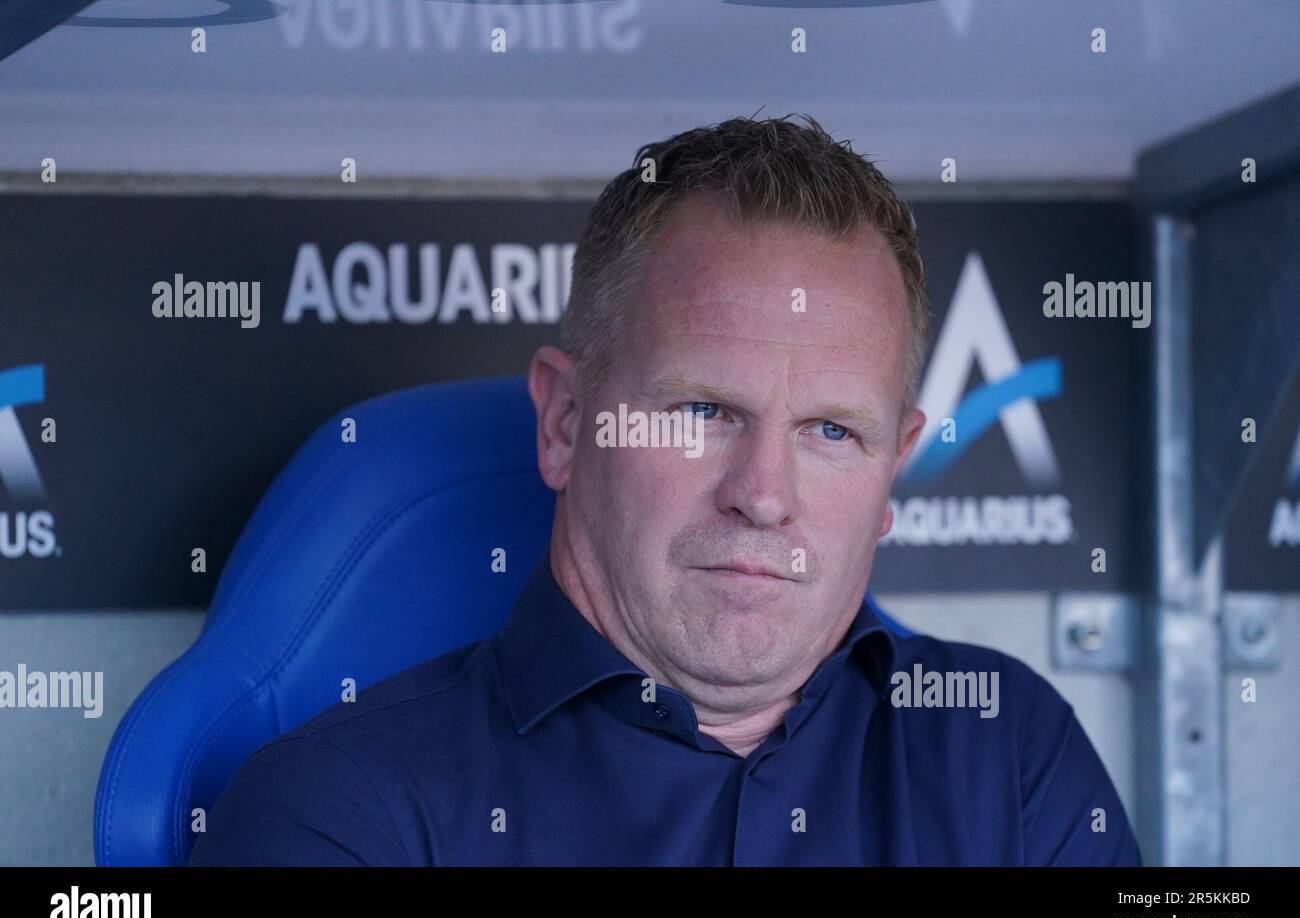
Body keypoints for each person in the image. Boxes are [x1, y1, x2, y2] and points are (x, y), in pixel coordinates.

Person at [188, 114, 1141, 866]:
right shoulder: (342, 816)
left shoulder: (1010, 756)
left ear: (893, 470)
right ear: (565, 423)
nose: (763, 496)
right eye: (702, 411)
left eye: (831, 431)